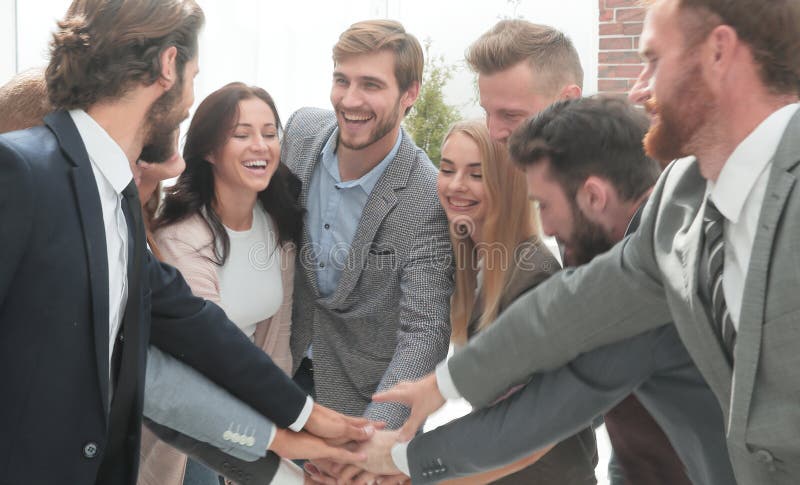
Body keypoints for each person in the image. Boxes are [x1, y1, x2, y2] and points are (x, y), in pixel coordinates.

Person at [372, 0, 800, 482]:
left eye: (654, 61)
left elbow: (567, 397)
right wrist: (444, 384)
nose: (639, 89)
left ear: (719, 53)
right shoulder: (677, 199)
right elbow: (571, 311)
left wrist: (400, 457)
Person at [0, 1, 373, 483]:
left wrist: (309, 418)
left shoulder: (116, 201)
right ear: (168, 65)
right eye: (195, 77)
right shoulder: (18, 170)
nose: (191, 98)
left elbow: (194, 327)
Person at [141, 82, 304, 485]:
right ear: (210, 151)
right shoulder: (181, 237)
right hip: (193, 418)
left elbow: (277, 338)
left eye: (269, 134)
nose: (260, 146)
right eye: (242, 134)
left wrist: (279, 419)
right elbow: (207, 351)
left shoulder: (276, 226)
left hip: (251, 404)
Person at [430, 119, 598, 483]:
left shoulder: (531, 275)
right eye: (447, 169)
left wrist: (429, 475)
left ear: (505, 184)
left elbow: (530, 429)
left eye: (476, 174)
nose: (456, 185)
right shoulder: (470, 261)